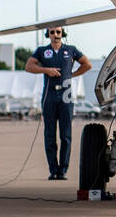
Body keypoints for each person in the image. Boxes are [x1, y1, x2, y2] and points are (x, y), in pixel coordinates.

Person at [25, 27, 93, 180]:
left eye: (58, 32)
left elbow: (87, 64)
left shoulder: (71, 50)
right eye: (52, 32)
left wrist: (72, 75)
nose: (55, 35)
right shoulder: (42, 51)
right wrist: (46, 70)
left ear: (63, 33)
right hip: (49, 94)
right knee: (49, 134)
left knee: (65, 135)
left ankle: (63, 170)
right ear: (48, 34)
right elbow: (28, 66)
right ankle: (53, 169)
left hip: (66, 95)